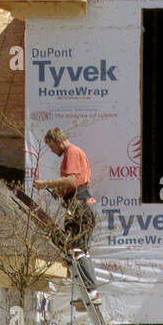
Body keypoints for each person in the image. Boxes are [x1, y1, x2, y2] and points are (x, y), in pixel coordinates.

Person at [34, 127, 100, 305]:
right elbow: (72, 183)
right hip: (79, 203)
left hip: (78, 206)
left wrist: (45, 184)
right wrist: (60, 192)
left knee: (76, 250)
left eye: (51, 146)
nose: (52, 151)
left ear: (58, 141)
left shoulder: (71, 152)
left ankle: (91, 290)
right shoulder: (73, 153)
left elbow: (71, 180)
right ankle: (91, 291)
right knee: (78, 250)